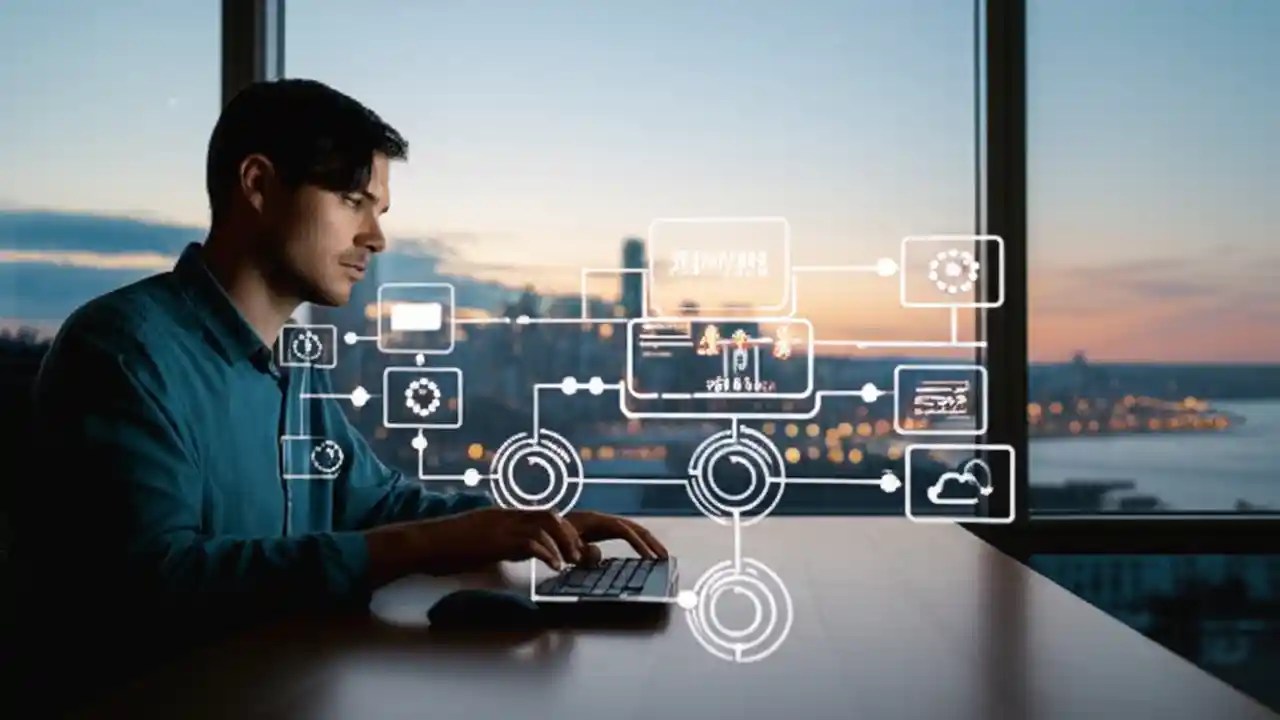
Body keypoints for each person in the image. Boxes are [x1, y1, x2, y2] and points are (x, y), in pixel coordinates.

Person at [18, 78, 667, 698]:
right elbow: (159, 583)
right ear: (259, 185)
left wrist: (511, 525)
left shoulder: (295, 361)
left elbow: (373, 502)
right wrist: (424, 545)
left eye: (379, 212)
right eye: (353, 202)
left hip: (283, 686)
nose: (376, 238)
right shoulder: (123, 353)